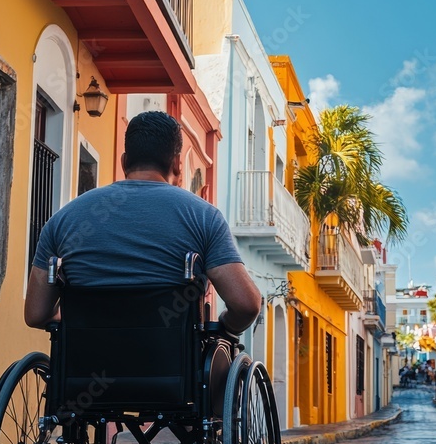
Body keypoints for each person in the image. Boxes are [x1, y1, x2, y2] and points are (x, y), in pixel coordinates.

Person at [25, 111, 262, 336]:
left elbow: (36, 314)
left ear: (124, 160)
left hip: (83, 367)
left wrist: (74, 320)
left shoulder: (62, 221)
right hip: (171, 369)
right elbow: (246, 306)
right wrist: (224, 327)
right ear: (178, 164)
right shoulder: (204, 217)